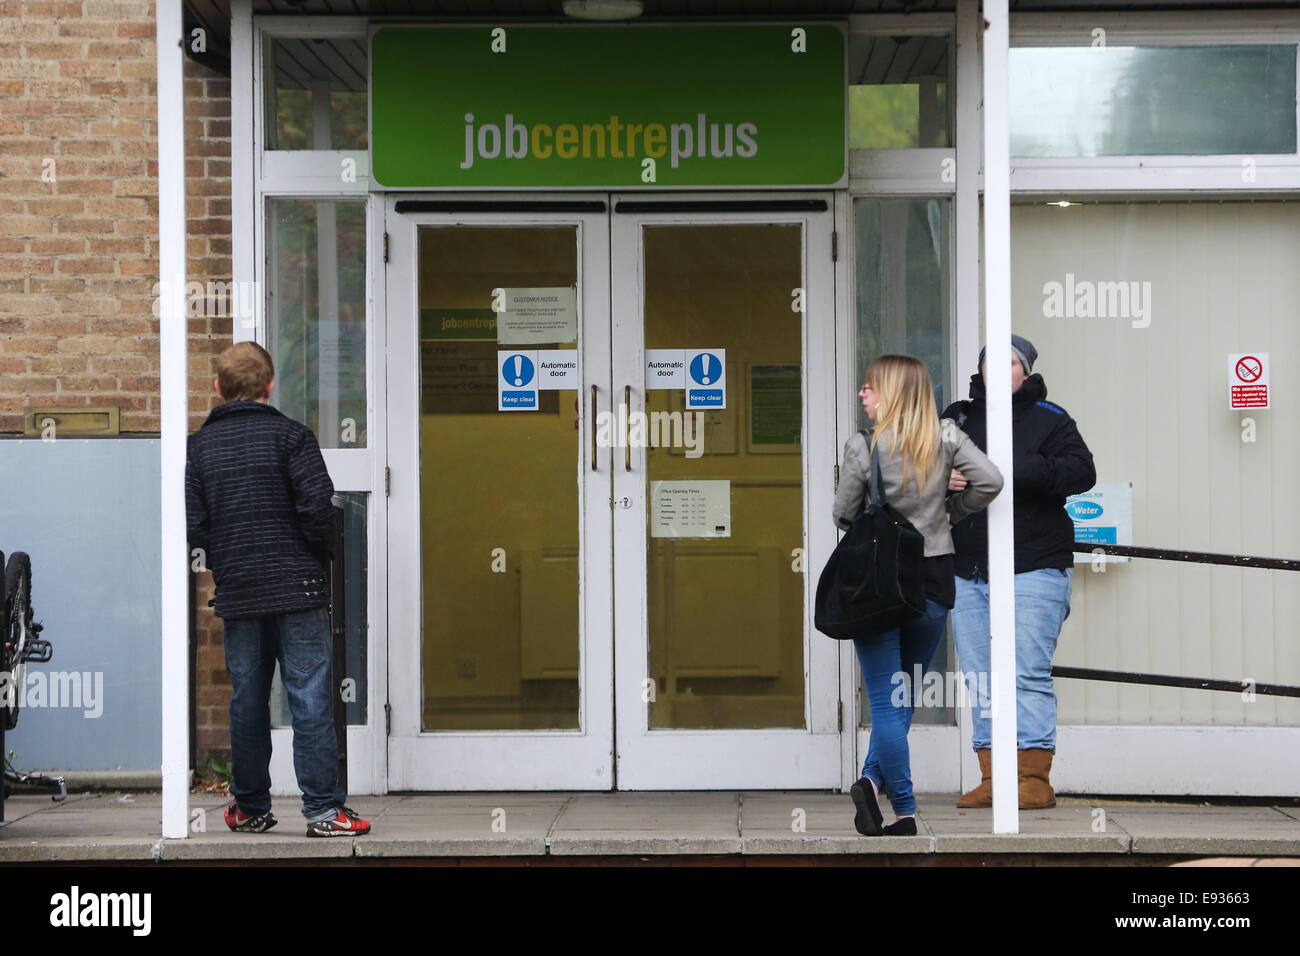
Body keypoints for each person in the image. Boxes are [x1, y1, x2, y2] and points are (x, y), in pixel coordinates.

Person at [185, 341, 371, 838]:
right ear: (270, 386)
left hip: (240, 591)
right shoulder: (292, 437)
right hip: (298, 589)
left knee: (248, 698)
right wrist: (315, 556)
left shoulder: (198, 448)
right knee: (309, 697)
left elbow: (195, 526)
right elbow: (318, 509)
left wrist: (226, 561)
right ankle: (325, 812)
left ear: (219, 389)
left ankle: (248, 808)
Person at [833, 354, 1003, 836]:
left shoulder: (864, 445)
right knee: (903, 694)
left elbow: (843, 514)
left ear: (890, 392)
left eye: (870, 388)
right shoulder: (947, 436)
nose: (864, 395)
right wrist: (951, 512)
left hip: (878, 583)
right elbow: (990, 481)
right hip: (934, 576)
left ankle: (904, 810)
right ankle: (871, 781)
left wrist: (874, 518)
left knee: (887, 703)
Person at [941, 334, 1096, 810]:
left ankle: (1032, 779)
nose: (1001, 369)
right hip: (967, 567)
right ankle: (993, 776)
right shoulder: (958, 417)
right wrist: (940, 476)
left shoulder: (1051, 419)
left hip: (1035, 565)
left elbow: (1080, 472)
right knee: (981, 677)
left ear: (1025, 371)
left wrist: (1007, 468)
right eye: (992, 361)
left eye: (1010, 362)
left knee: (1025, 672)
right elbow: (922, 467)